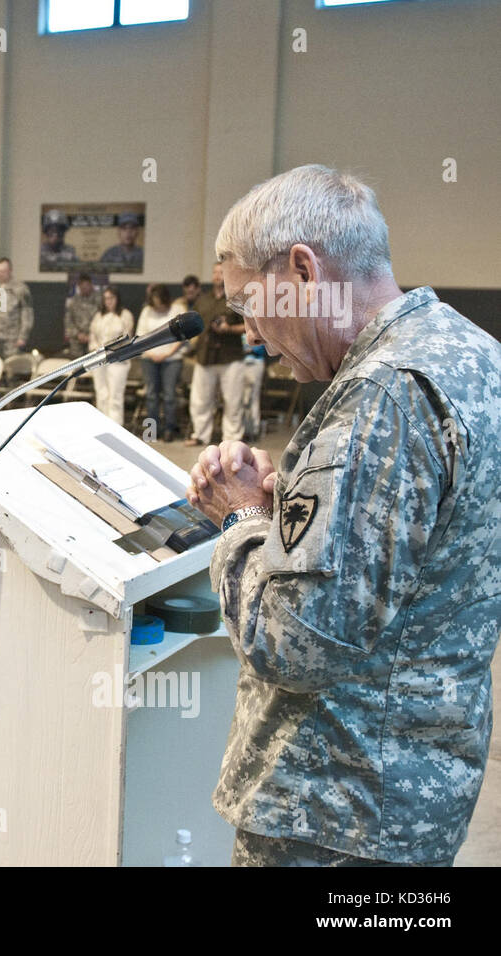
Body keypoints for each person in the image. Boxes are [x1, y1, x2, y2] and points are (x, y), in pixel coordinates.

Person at [186, 164, 501, 867]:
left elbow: (297, 644)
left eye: (248, 305)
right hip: (413, 791)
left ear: (302, 269)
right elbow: (414, 554)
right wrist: (287, 505)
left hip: (333, 807)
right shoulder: (470, 355)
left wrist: (239, 523)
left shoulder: (380, 395)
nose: (252, 336)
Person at [185, 263, 246, 446]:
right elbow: (192, 324)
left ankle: (232, 438)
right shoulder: (203, 300)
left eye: (222, 272)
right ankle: (200, 435)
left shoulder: (237, 299)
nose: (218, 276)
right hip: (205, 356)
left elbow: (249, 326)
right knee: (200, 400)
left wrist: (229, 328)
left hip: (231, 356)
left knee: (233, 400)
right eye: (215, 272)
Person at [136, 283, 186, 441]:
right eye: (155, 304)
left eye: (161, 304)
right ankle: (151, 430)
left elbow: (183, 334)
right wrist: (151, 354)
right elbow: (140, 336)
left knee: (169, 395)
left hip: (172, 358)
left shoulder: (177, 310)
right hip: (149, 358)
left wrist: (168, 353)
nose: (158, 308)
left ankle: (170, 429)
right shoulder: (146, 311)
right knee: (151, 395)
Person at [87, 286, 133, 425]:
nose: (109, 301)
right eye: (106, 298)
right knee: (101, 394)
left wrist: (111, 350)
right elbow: (93, 336)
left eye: (111, 298)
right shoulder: (98, 316)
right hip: (99, 359)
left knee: (115, 397)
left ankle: (116, 427)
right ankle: (101, 426)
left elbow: (127, 337)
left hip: (117, 360)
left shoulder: (125, 315)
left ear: (117, 299)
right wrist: (96, 349)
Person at [0, 258, 33, 358]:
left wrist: (23, 337)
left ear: (10, 271)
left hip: (11, 338)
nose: (0, 274)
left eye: (3, 271)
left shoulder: (21, 288)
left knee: (11, 368)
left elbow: (27, 314)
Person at [62, 273, 101, 359]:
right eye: (82, 286)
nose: (85, 288)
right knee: (76, 367)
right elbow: (68, 321)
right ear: (78, 286)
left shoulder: (100, 300)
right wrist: (78, 334)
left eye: (87, 285)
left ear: (91, 285)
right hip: (76, 342)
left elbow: (104, 320)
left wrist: (90, 336)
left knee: (93, 365)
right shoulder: (73, 301)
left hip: (94, 340)